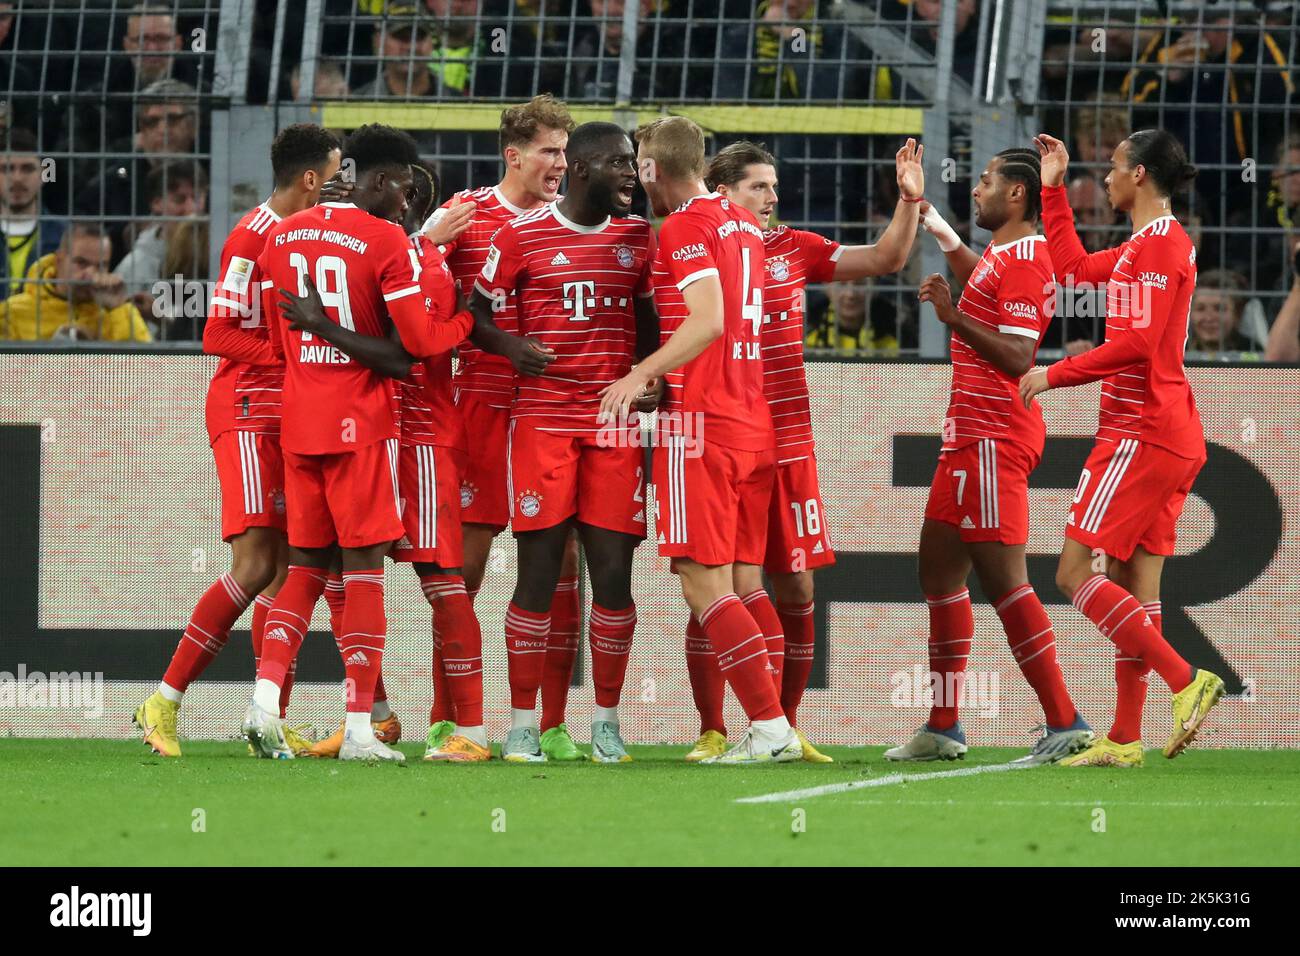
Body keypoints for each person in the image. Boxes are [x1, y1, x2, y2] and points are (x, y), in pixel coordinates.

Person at [680, 138, 922, 763]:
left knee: (795, 588)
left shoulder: (793, 247)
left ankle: (782, 725)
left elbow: (888, 258)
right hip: (728, 428)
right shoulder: (705, 242)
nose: (772, 197)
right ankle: (713, 728)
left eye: (775, 186)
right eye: (758, 186)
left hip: (788, 438)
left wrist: (907, 202)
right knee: (717, 577)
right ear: (721, 187)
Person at [241, 124, 473, 762]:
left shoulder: (282, 234)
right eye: (401, 183)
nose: (406, 195)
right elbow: (413, 350)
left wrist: (318, 330)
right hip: (361, 426)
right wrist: (465, 321)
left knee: (306, 571)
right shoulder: (385, 239)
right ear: (376, 183)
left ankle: (264, 706)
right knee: (366, 574)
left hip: (300, 421)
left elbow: (272, 328)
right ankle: (363, 730)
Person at [130, 125, 341, 758]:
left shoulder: (304, 237)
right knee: (253, 568)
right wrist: (286, 353)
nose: (339, 189)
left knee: (284, 572)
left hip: (289, 416)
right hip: (248, 411)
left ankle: (268, 717)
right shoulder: (252, 237)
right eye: (332, 177)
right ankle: (161, 702)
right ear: (309, 180)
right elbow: (218, 334)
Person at [1022, 129, 1225, 767]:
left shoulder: (1160, 248)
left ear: (1139, 175)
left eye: (1112, 167)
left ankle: (1186, 679)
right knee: (1133, 585)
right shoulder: (1147, 245)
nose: (1104, 177)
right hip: (1163, 432)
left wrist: (1053, 374)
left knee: (1071, 573)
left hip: (1142, 431)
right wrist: (1053, 191)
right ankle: (1125, 737)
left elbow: (1137, 344)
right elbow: (1074, 270)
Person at [600, 116, 799, 764]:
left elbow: (709, 319)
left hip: (703, 425)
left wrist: (642, 372)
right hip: (752, 420)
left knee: (701, 586)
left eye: (639, 162)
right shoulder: (745, 226)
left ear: (654, 167)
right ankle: (780, 728)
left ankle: (767, 729)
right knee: (746, 585)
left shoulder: (686, 223)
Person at [888, 148, 1094, 765]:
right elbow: (988, 284)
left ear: (1018, 197)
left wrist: (951, 317)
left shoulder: (1030, 258)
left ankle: (1065, 721)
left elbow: (1018, 356)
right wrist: (941, 228)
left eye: (985, 182)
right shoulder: (1008, 254)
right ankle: (944, 724)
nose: (975, 189)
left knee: (1007, 585)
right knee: (939, 574)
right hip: (967, 437)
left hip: (992, 435)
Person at [468, 121, 658, 763]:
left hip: (613, 420)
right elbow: (477, 312)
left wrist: (650, 374)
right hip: (544, 421)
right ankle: (523, 724)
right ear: (580, 169)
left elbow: (656, 321)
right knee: (538, 573)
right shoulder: (518, 235)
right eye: (617, 163)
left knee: (612, 573)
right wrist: (511, 346)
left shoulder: (640, 240)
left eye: (633, 162)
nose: (630, 173)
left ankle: (605, 721)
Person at [425, 94, 591, 761]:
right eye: (550, 151)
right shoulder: (466, 215)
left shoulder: (581, 218)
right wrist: (426, 242)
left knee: (563, 567)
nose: (561, 163)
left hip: (553, 411)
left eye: (565, 151)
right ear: (514, 155)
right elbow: (405, 287)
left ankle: (550, 723)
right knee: (463, 568)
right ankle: (448, 718)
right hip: (481, 409)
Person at [0, 221, 150, 341]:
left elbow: (145, 371)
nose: (90, 274)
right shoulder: (12, 313)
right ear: (59, 260)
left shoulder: (118, 312)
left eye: (101, 265)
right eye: (81, 263)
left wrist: (118, 309)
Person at [1, 127, 64, 293]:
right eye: (7, 169)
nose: (17, 178)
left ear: (43, 174)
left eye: (27, 169)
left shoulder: (67, 236)